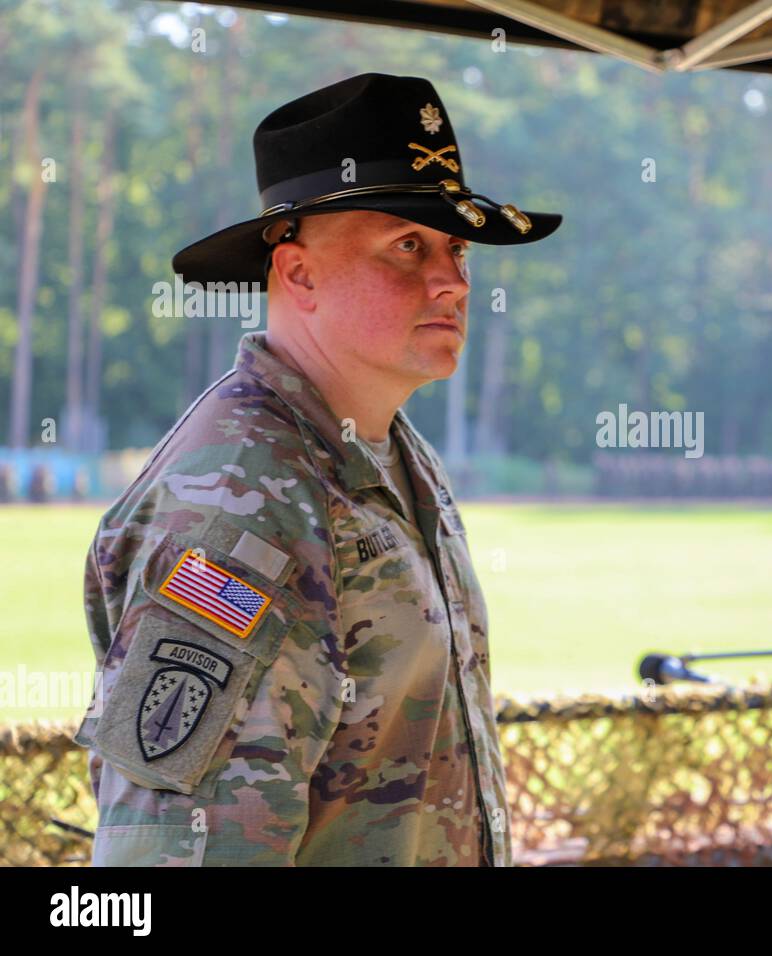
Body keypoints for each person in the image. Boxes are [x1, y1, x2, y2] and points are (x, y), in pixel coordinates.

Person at [73, 72, 562, 865]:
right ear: (298, 273)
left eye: (457, 247)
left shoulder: (387, 451)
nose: (453, 280)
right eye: (408, 246)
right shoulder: (237, 503)